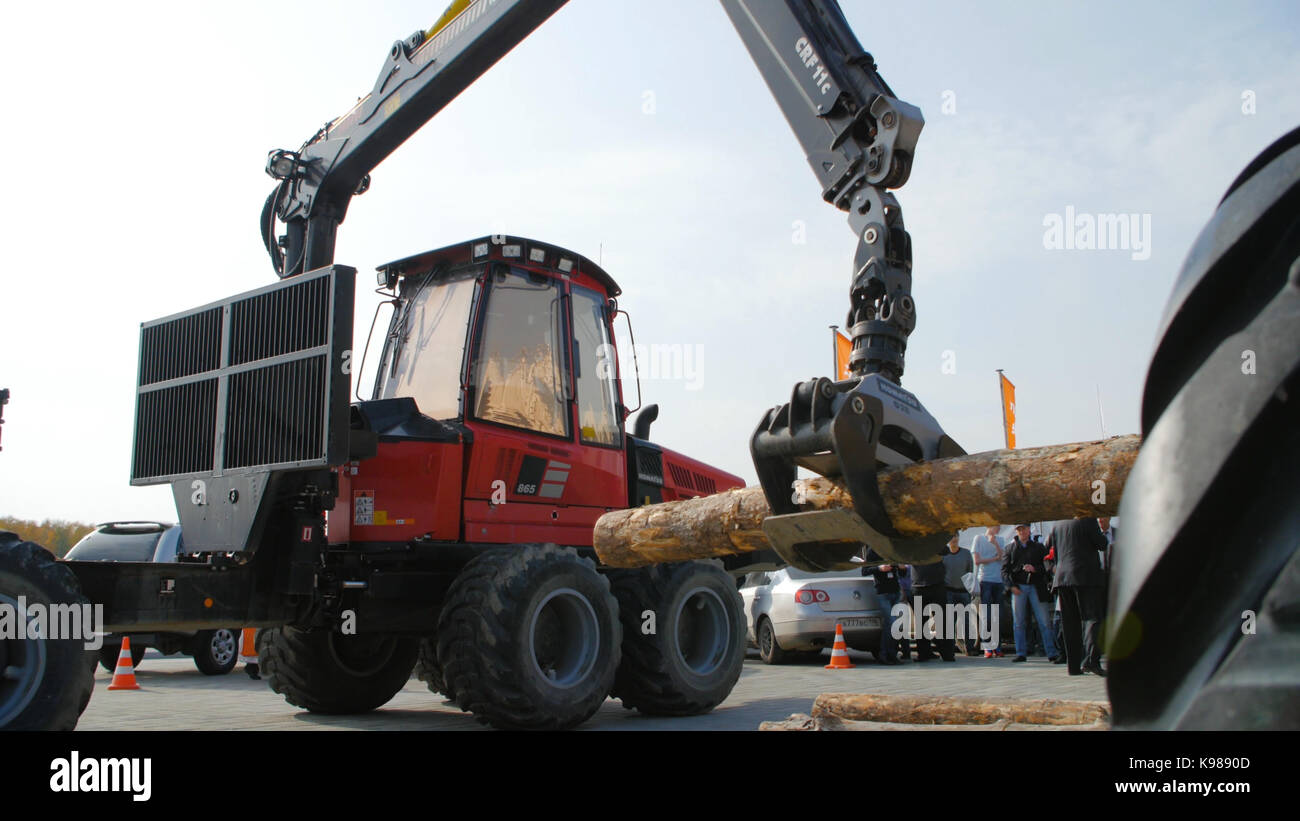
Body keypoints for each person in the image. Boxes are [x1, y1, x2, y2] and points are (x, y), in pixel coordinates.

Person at [1047, 517, 1109, 676]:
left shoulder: (1058, 523)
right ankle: (1091, 661)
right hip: (1085, 576)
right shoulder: (1088, 520)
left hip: (1062, 578)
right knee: (1093, 619)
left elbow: (1048, 547)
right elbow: (1102, 544)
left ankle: (1073, 666)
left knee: (1069, 623)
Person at [1002, 524, 1060, 663]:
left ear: (1029, 530)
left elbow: (1046, 565)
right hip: (1019, 587)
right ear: (1016, 531)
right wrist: (1011, 586)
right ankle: (1021, 652)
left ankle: (1051, 652)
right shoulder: (1010, 548)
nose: (1022, 532)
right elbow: (1004, 571)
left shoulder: (1038, 547)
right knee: (1019, 622)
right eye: (1019, 529)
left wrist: (1035, 569)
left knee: (1044, 621)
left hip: (1036, 586)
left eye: (1024, 529)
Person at [910, 547, 956, 662]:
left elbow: (946, 550)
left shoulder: (933, 538)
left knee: (943, 621)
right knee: (921, 623)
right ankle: (924, 653)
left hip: (937, 584)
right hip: (918, 585)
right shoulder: (911, 541)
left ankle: (947, 654)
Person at [864, 547, 905, 665]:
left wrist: (902, 568)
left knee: (894, 626)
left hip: (895, 592)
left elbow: (902, 573)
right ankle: (884, 654)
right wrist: (879, 568)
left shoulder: (893, 551)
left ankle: (891, 655)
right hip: (883, 592)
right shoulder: (872, 551)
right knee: (892, 624)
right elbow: (864, 571)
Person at [970, 525, 1004, 657]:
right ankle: (987, 646)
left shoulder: (1000, 540)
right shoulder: (978, 539)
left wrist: (995, 544)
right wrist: (994, 559)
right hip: (985, 580)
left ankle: (997, 646)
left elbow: (1003, 557)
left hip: (998, 581)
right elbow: (977, 561)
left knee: (998, 616)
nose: (999, 527)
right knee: (986, 616)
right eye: (996, 525)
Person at [941, 533, 978, 655]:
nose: (954, 539)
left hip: (963, 592)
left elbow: (970, 572)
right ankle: (950, 649)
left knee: (967, 621)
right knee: (950, 622)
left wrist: (969, 589)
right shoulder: (943, 555)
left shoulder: (966, 554)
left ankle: (970, 648)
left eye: (956, 536)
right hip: (949, 592)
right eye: (951, 536)